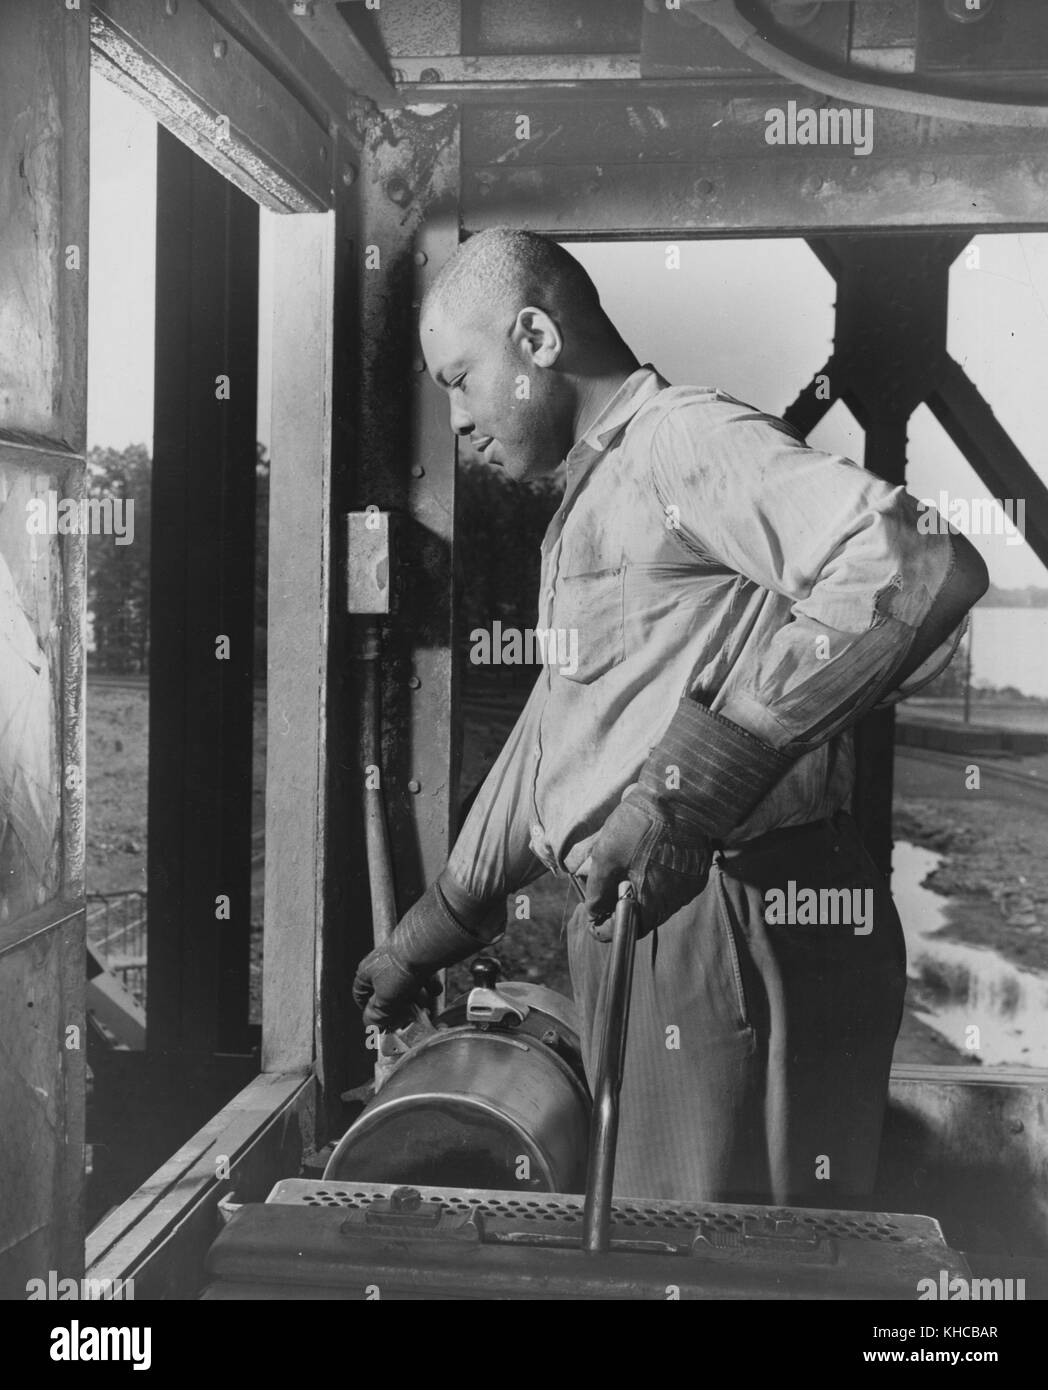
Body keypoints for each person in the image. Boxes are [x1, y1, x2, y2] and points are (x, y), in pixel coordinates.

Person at [353, 229, 988, 1205]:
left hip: (725, 914)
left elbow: (916, 563)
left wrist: (684, 793)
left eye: (463, 377)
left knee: (716, 1259)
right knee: (664, 1243)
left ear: (535, 335)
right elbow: (559, 743)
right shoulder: (595, 495)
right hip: (659, 919)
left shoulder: (679, 442)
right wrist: (424, 936)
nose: (458, 419)